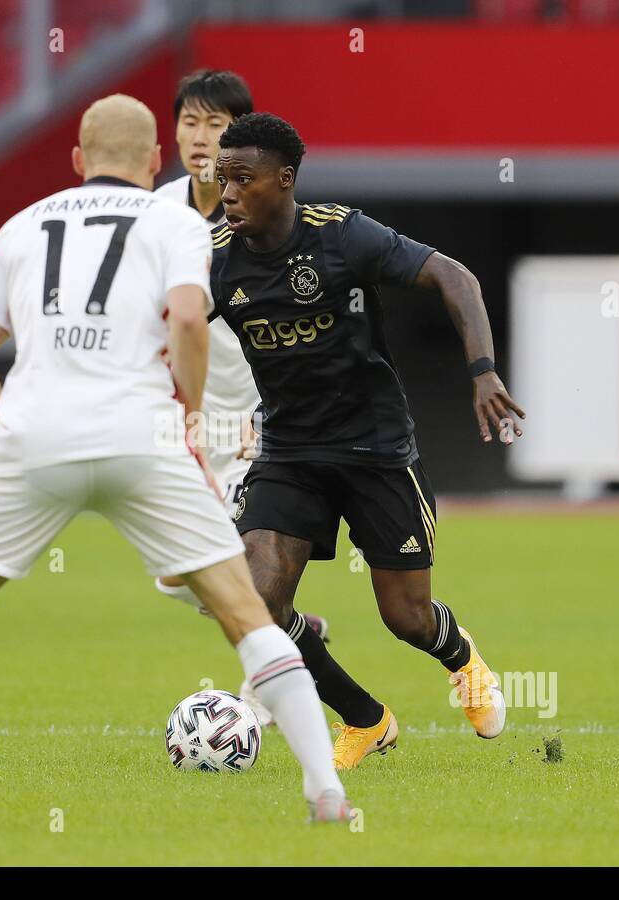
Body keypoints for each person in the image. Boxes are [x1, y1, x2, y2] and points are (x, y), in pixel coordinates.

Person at [0, 95, 349, 824]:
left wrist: (1, 459)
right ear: (154, 163)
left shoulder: (20, 226)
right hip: (141, 436)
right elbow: (185, 319)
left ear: (78, 161)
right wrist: (193, 424)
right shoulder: (176, 220)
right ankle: (326, 794)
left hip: (34, 435)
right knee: (247, 615)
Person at [209, 113, 528, 766]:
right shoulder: (214, 259)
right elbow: (167, 328)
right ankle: (364, 716)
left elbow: (455, 277)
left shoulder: (341, 237)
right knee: (254, 603)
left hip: (375, 450)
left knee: (405, 618)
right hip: (289, 454)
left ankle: (461, 658)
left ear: (285, 180)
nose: (230, 193)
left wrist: (483, 371)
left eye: (244, 179)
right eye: (223, 180)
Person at [151, 69, 332, 726]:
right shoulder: (159, 209)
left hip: (258, 417)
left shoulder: (258, 210)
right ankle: (294, 630)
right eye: (190, 123)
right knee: (174, 576)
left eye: (216, 125)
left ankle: (256, 709)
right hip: (190, 420)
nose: (201, 139)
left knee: (242, 566)